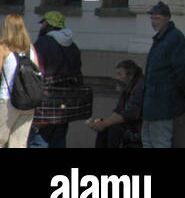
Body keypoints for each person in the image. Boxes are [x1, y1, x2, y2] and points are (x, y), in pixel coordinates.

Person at [29, 10, 86, 148]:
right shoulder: (72, 46)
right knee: (59, 138)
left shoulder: (43, 43)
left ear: (47, 24)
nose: (41, 26)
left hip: (46, 99)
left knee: (39, 138)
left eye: (43, 23)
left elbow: (36, 69)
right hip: (66, 100)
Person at [142, 2, 185, 148]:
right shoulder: (162, 38)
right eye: (152, 18)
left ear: (167, 18)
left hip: (162, 100)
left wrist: (170, 90)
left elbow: (181, 71)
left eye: (157, 18)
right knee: (148, 139)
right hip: (153, 100)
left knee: (160, 141)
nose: (154, 22)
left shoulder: (174, 38)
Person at [0, 13, 40, 148]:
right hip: (28, 102)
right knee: (19, 144)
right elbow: (38, 73)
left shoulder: (3, 49)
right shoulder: (31, 49)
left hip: (7, 101)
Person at [89, 60, 145, 148]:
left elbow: (131, 113)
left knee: (114, 129)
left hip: (138, 126)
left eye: (119, 74)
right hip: (127, 122)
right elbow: (118, 110)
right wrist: (103, 123)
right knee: (104, 128)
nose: (117, 78)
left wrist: (105, 123)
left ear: (130, 75)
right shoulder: (127, 86)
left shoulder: (140, 86)